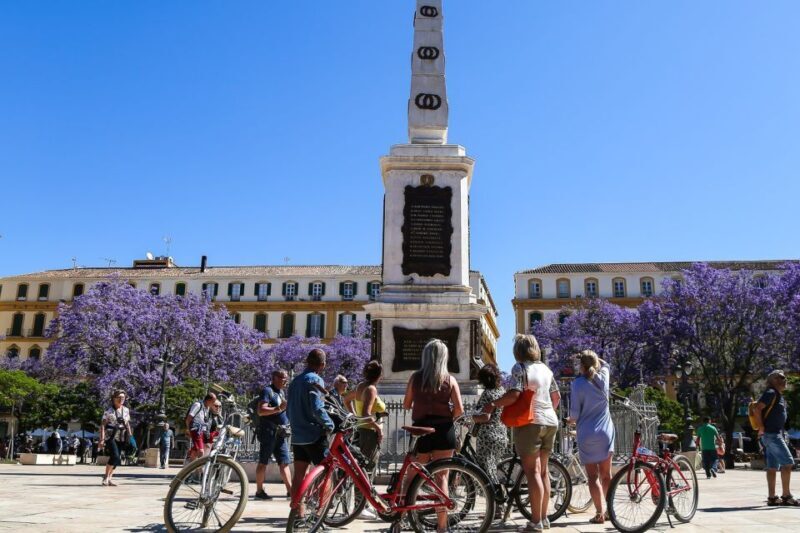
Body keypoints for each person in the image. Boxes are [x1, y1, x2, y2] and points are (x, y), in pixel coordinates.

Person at [484, 334, 560, 533]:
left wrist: (493, 404)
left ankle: (535, 522)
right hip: (551, 422)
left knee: (532, 472)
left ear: (518, 350)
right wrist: (546, 412)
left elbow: (514, 394)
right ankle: (544, 518)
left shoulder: (520, 368)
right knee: (543, 472)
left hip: (531, 423)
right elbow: (556, 397)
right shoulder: (547, 369)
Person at [404, 339, 464, 533]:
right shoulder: (450, 380)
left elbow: (406, 404)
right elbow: (459, 410)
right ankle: (442, 526)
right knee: (442, 478)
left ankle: (400, 518)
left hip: (422, 430)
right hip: (444, 430)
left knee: (412, 476)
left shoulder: (415, 378)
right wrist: (446, 415)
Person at [568, 350, 614, 525]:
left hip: (586, 433)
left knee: (593, 477)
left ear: (581, 365)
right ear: (596, 363)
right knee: (606, 475)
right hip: (605, 432)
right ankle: (610, 511)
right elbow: (606, 364)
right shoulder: (604, 376)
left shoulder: (577, 384)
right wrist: (592, 357)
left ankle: (599, 513)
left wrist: (569, 420)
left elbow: (574, 414)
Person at [287, 349, 335, 513]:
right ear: (323, 364)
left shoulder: (295, 381)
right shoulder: (315, 380)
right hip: (314, 435)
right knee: (326, 473)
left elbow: (288, 409)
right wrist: (329, 424)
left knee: (299, 475)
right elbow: (317, 408)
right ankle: (320, 515)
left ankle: (297, 513)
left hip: (298, 436)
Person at [753, 370, 798, 506]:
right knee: (788, 463)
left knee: (772, 467)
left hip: (773, 434)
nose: (785, 380)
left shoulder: (777, 394)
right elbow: (757, 409)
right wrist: (761, 427)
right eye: (781, 377)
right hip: (772, 434)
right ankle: (786, 496)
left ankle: (772, 497)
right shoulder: (771, 392)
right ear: (773, 380)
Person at [255, 369, 292, 501]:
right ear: (274, 378)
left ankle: (291, 491)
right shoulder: (267, 391)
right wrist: (279, 408)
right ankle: (259, 491)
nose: (285, 380)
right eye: (283, 377)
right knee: (263, 462)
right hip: (268, 432)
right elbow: (261, 410)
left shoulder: (280, 392)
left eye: (286, 378)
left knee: (284, 462)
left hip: (280, 433)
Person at [471, 364, 508, 487]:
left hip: (488, 435)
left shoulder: (487, 394)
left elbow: (485, 417)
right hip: (501, 433)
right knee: (493, 467)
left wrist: (471, 418)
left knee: (486, 470)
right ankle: (496, 493)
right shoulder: (502, 391)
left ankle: (495, 494)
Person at [345, 361, 386, 467]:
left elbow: (346, 400)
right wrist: (378, 429)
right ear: (379, 375)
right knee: (368, 466)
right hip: (370, 433)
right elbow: (366, 414)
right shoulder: (371, 389)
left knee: (360, 466)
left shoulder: (360, 386)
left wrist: (355, 416)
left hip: (361, 430)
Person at [99, 389, 133, 486]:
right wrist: (102, 439)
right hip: (111, 436)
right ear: (114, 398)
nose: (122, 399)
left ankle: (110, 478)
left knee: (117, 459)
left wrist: (130, 436)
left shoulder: (126, 410)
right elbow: (103, 425)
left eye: (123, 397)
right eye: (119, 397)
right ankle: (105, 477)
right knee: (115, 456)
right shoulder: (109, 411)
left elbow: (127, 423)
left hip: (122, 436)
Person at [185, 392, 217, 461]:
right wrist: (188, 430)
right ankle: (195, 465)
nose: (213, 403)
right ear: (208, 400)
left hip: (202, 432)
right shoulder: (198, 405)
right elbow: (189, 418)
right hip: (196, 430)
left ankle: (189, 463)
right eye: (213, 401)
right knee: (201, 452)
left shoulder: (207, 408)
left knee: (195, 451)